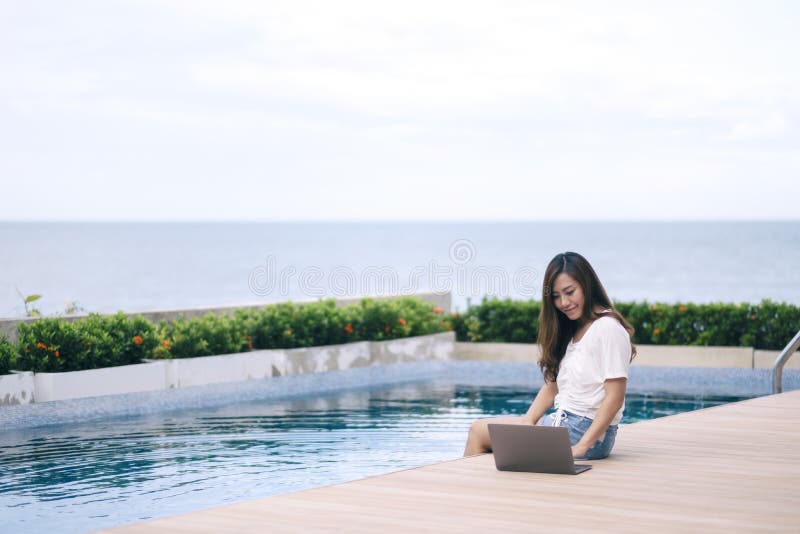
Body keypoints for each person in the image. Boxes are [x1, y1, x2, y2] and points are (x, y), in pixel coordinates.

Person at [463, 251, 636, 460]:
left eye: (570, 292)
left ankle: (462, 490)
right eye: (556, 296)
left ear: (587, 285)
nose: (563, 302)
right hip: (564, 425)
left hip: (583, 433)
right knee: (502, 433)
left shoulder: (607, 328)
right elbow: (553, 386)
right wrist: (527, 423)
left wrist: (581, 447)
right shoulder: (577, 329)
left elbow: (615, 397)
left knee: (479, 431)